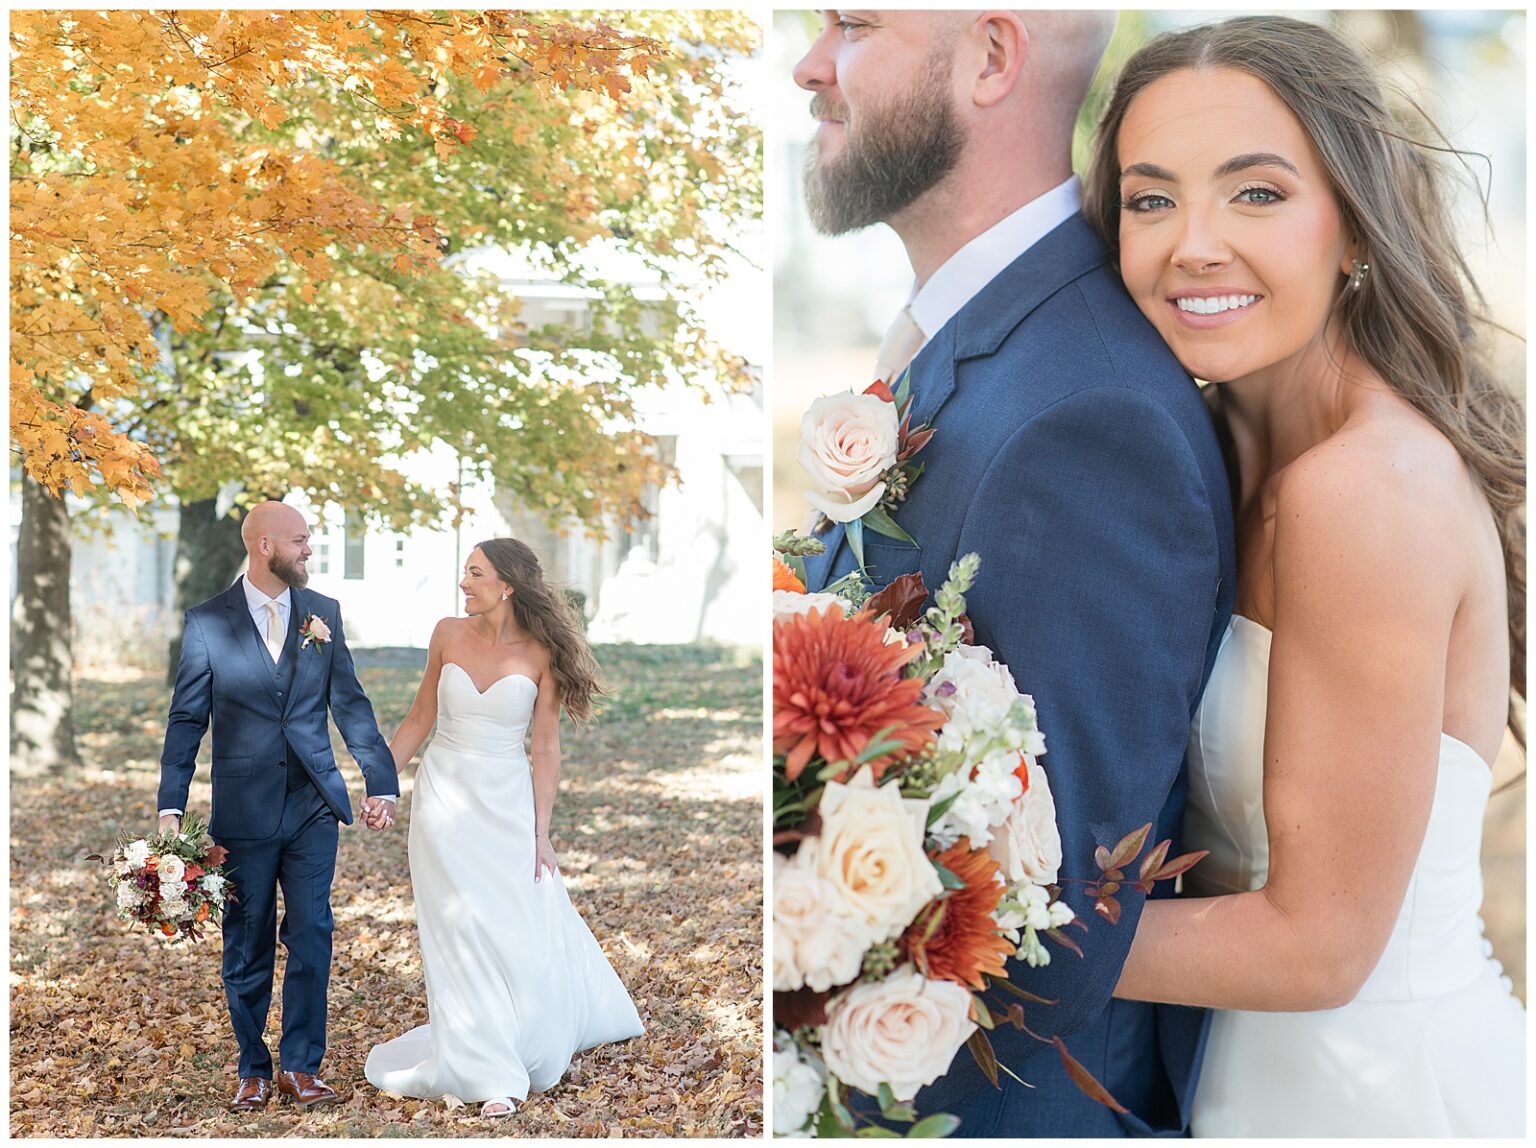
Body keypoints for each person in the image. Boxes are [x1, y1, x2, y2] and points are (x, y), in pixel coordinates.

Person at [793, 11, 1236, 1137]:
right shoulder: (974, 348)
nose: (807, 66)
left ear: (992, 58)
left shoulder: (1088, 410)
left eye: (849, 23)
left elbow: (1061, 931)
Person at [1082, 15, 1526, 1136]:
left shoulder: (1362, 492)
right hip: (1252, 1076)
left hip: (1380, 1094)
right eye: (1150, 199)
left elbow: (1319, 940)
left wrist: (945, 935)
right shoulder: (1219, 459)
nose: (1193, 243)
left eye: (1258, 193)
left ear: (1357, 230)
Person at [365, 538, 642, 1119]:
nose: (465, 583)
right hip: (443, 798)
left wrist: (541, 831)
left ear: (507, 584)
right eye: (466, 572)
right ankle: (490, 1069)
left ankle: (522, 1030)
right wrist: (381, 785)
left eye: (475, 573)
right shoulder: (446, 633)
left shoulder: (541, 653)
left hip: (508, 803)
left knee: (511, 921)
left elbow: (545, 747)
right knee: (455, 929)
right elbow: (419, 719)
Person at [157, 500, 399, 1113]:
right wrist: (170, 807)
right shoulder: (209, 622)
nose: (309, 550)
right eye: (301, 540)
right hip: (244, 809)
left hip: (313, 801)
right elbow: (187, 718)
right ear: (266, 546)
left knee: (313, 929)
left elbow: (350, 702)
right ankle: (252, 1068)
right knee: (246, 940)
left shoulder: (323, 615)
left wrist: (381, 781)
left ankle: (300, 1065)